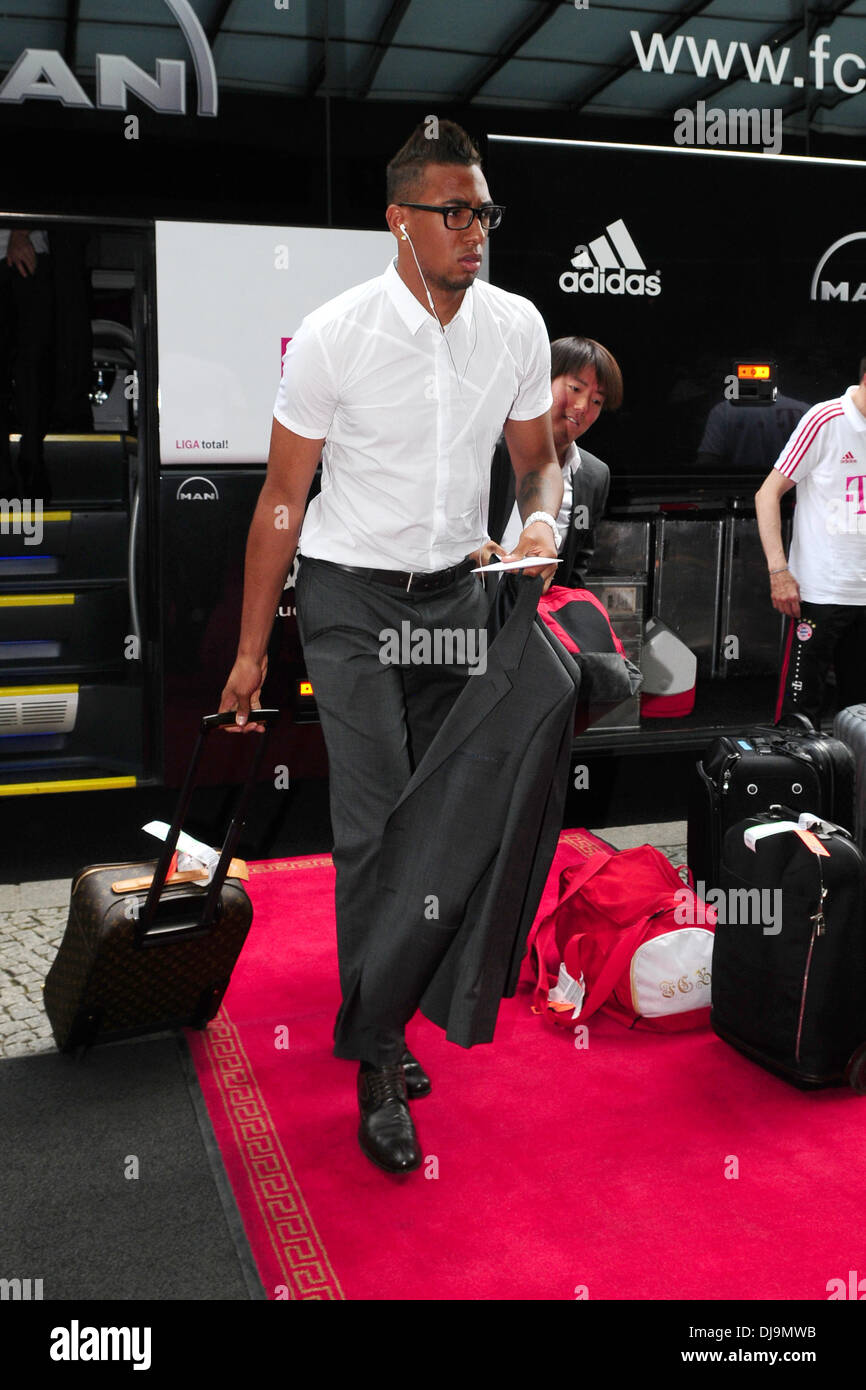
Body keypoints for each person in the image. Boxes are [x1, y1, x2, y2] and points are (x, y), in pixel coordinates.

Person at [218, 120, 563, 1175]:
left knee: (442, 822)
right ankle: (377, 1056)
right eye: (453, 213)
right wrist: (248, 652)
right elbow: (281, 502)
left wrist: (541, 524)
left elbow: (538, 468)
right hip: (347, 602)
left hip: (459, 597)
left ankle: (373, 1006)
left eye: (484, 213)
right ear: (397, 222)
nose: (475, 232)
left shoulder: (515, 327)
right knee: (372, 822)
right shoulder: (333, 333)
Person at [755, 357, 866, 726]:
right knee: (799, 718)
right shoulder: (826, 419)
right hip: (821, 594)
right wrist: (779, 571)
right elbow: (767, 493)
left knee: (860, 719)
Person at [487, 336, 623, 586]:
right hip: (476, 606)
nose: (582, 406)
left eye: (596, 401)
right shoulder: (491, 448)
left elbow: (579, 561)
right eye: (575, 389)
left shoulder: (594, 474)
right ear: (542, 380)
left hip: (540, 609)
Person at [0, 226, 53, 499]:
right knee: (29, 362)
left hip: (26, 248)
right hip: (26, 251)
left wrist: (19, 233)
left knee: (32, 362)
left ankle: (32, 458)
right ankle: (21, 465)